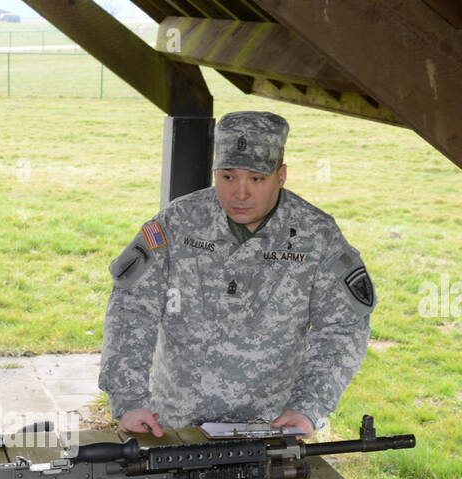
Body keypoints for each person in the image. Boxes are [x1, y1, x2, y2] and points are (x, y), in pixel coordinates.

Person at [98, 111, 375, 439]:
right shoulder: (177, 223)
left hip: (271, 428)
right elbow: (132, 307)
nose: (240, 194)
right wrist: (128, 398)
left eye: (256, 179)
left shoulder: (317, 236)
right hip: (171, 423)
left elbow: (342, 327)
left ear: (281, 175)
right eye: (228, 177)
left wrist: (309, 407)